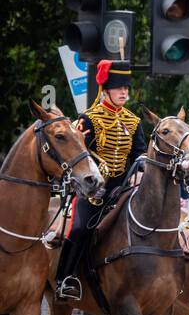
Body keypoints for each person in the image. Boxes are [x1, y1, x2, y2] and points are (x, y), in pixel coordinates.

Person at [55, 59, 147, 301]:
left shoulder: (133, 121)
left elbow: (140, 154)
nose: (124, 92)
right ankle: (65, 277)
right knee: (81, 227)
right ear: (105, 89)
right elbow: (76, 157)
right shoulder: (88, 119)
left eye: (126, 87)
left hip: (124, 190)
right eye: (119, 87)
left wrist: (142, 165)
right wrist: (88, 189)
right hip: (93, 190)